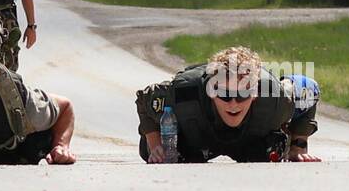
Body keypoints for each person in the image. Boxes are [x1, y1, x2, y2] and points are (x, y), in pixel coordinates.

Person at [135, 45, 321, 163]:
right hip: (196, 139)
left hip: (251, 141)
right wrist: (156, 144)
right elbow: (144, 98)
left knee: (263, 155)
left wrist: (299, 146)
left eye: (242, 94)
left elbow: (310, 89)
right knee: (151, 153)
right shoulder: (185, 93)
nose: (233, 104)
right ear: (211, 91)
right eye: (224, 94)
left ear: (255, 93)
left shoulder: (274, 98)